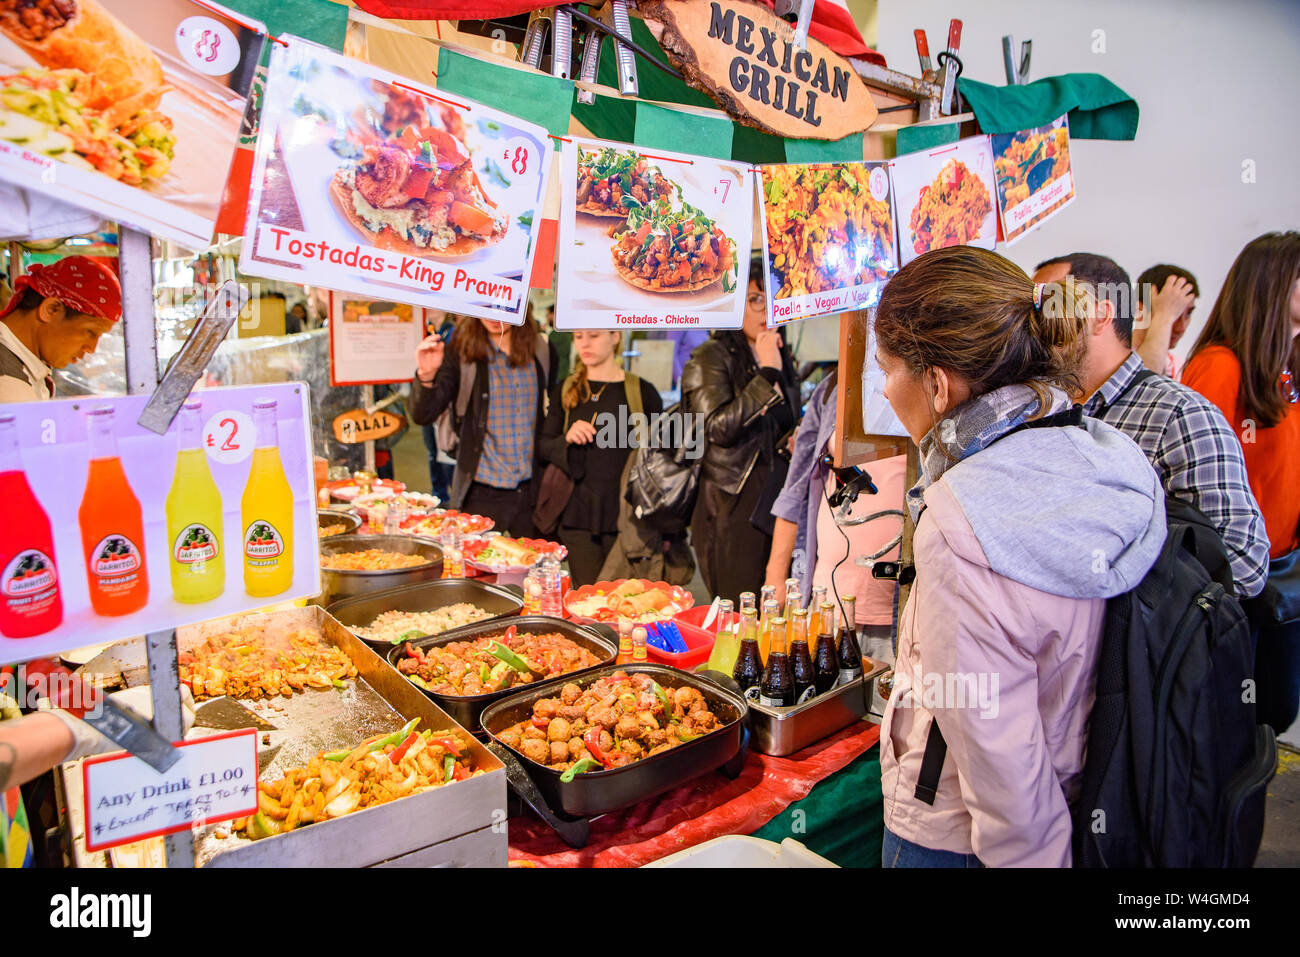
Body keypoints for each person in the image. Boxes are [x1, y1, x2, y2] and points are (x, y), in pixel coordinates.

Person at [876, 246, 1164, 867]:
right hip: (1080, 787)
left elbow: (997, 750)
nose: (881, 387)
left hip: (958, 830)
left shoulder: (960, 522)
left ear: (936, 384)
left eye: (886, 367)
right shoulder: (1108, 453)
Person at [1033, 252, 1270, 598]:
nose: (1033, 321)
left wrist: (1119, 582)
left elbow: (1243, 563)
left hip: (1137, 643)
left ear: (1100, 314)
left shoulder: (1180, 415)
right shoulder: (1040, 410)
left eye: (1049, 304)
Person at [1182, 231, 1300, 733]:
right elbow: (1188, 487)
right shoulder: (1220, 367)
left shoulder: (1284, 372)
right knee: (1240, 724)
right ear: (1273, 285)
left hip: (1285, 572)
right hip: (1238, 584)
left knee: (1274, 713)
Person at [766, 368, 906, 680]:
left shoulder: (926, 384)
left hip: (898, 618)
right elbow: (796, 489)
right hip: (825, 602)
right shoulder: (833, 388)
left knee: (889, 719)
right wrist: (775, 578)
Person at [681, 261, 799, 602]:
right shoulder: (710, 355)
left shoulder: (776, 350)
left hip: (777, 501)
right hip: (731, 507)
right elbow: (714, 428)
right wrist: (766, 376)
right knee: (739, 615)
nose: (766, 309)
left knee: (774, 614)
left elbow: (782, 420)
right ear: (733, 303)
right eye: (754, 299)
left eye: (772, 298)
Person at [409, 309, 557, 536]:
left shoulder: (541, 351)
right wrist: (426, 374)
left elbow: (551, 411)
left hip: (530, 493)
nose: (494, 314)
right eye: (487, 305)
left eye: (504, 306)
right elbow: (423, 415)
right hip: (480, 492)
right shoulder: (461, 352)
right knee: (472, 568)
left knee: (532, 567)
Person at [538, 329, 662, 585]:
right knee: (588, 607)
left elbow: (660, 459)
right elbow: (543, 446)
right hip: (578, 518)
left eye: (593, 336)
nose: (584, 343)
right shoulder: (566, 389)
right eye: (579, 336)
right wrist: (567, 438)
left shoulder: (642, 392)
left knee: (626, 605)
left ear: (615, 337)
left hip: (627, 520)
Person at [0, 256, 121, 403]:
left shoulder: (25, 363)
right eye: (91, 332)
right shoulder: (8, 384)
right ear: (51, 309)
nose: (91, 348)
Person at [1132, 264, 1198, 377]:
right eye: (1173, 312)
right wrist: (1164, 315)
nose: (1181, 328)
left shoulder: (1181, 368)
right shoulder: (1111, 357)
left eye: (1188, 314)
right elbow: (1143, 385)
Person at [420, 310, 456, 502]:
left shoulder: (453, 332)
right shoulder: (422, 330)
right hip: (428, 399)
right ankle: (439, 495)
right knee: (432, 451)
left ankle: (452, 498)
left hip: (448, 404)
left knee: (448, 451)